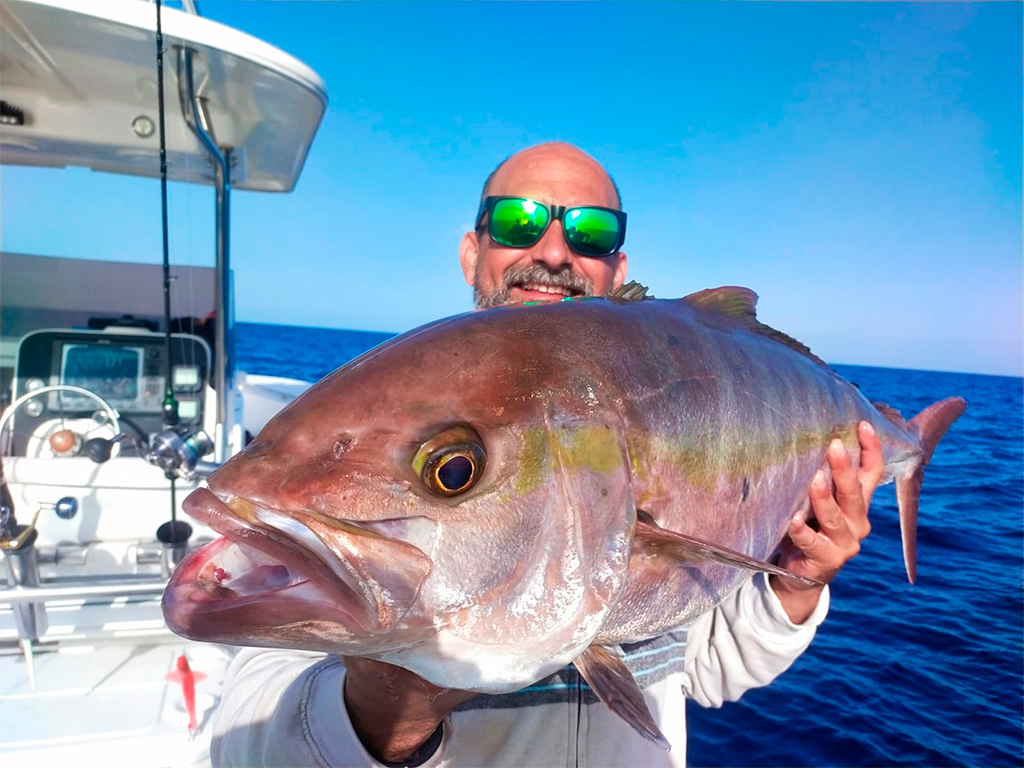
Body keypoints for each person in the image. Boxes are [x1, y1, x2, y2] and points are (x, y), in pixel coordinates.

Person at [210, 142, 884, 767]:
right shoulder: (358, 427)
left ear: (618, 269)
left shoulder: (675, 402)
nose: (554, 250)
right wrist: (387, 710)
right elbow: (242, 740)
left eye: (591, 232)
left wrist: (796, 582)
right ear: (471, 253)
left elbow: (710, 671)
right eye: (518, 220)